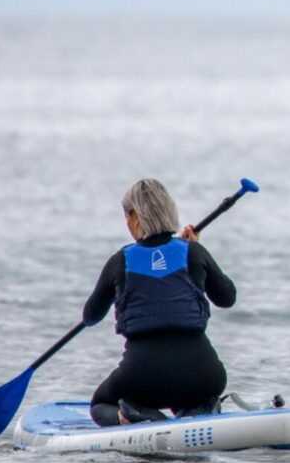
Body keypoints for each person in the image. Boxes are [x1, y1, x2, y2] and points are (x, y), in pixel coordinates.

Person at [82, 178, 236, 426]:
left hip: (143, 378)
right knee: (194, 391)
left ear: (134, 216)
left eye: (126, 216)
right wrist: (197, 253)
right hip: (204, 376)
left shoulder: (120, 261)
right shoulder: (192, 252)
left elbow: (90, 317)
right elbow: (227, 298)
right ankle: (200, 407)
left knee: (99, 404)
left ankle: (128, 415)